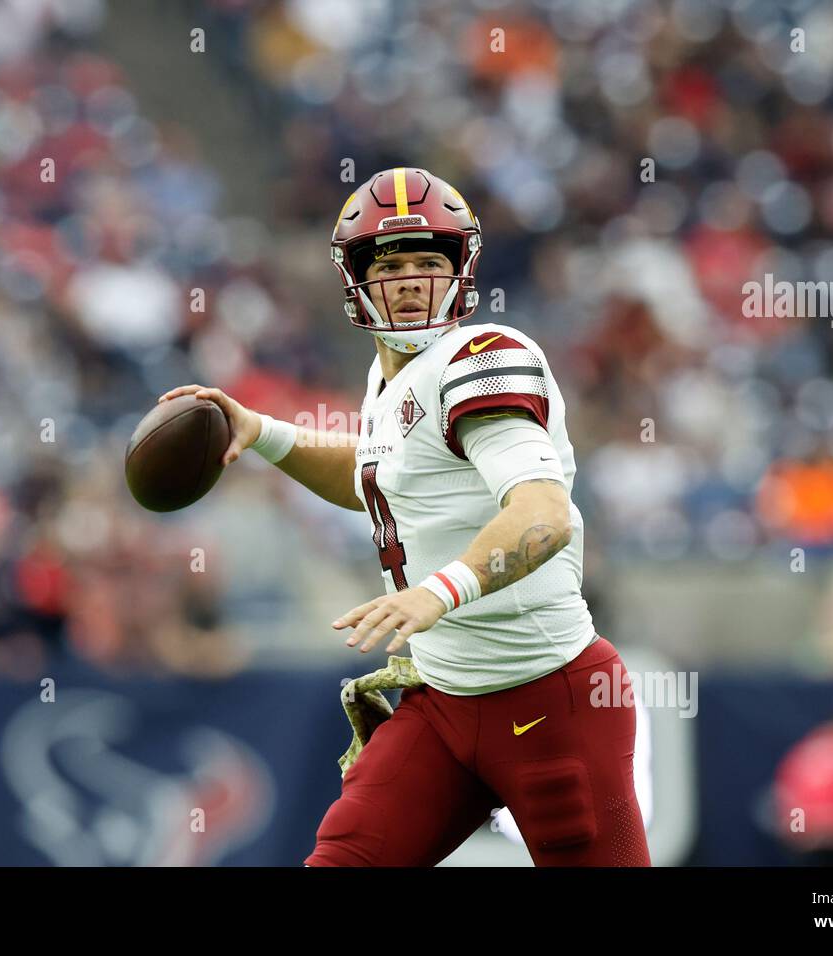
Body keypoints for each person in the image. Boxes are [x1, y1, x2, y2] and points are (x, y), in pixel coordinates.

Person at [159, 167, 650, 867]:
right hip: (445, 702)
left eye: (430, 261)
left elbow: (545, 513)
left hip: (551, 701)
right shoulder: (392, 379)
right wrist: (262, 433)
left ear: (462, 270)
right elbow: (379, 478)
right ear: (355, 277)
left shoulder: (483, 358)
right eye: (392, 263)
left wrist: (437, 591)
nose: (413, 279)